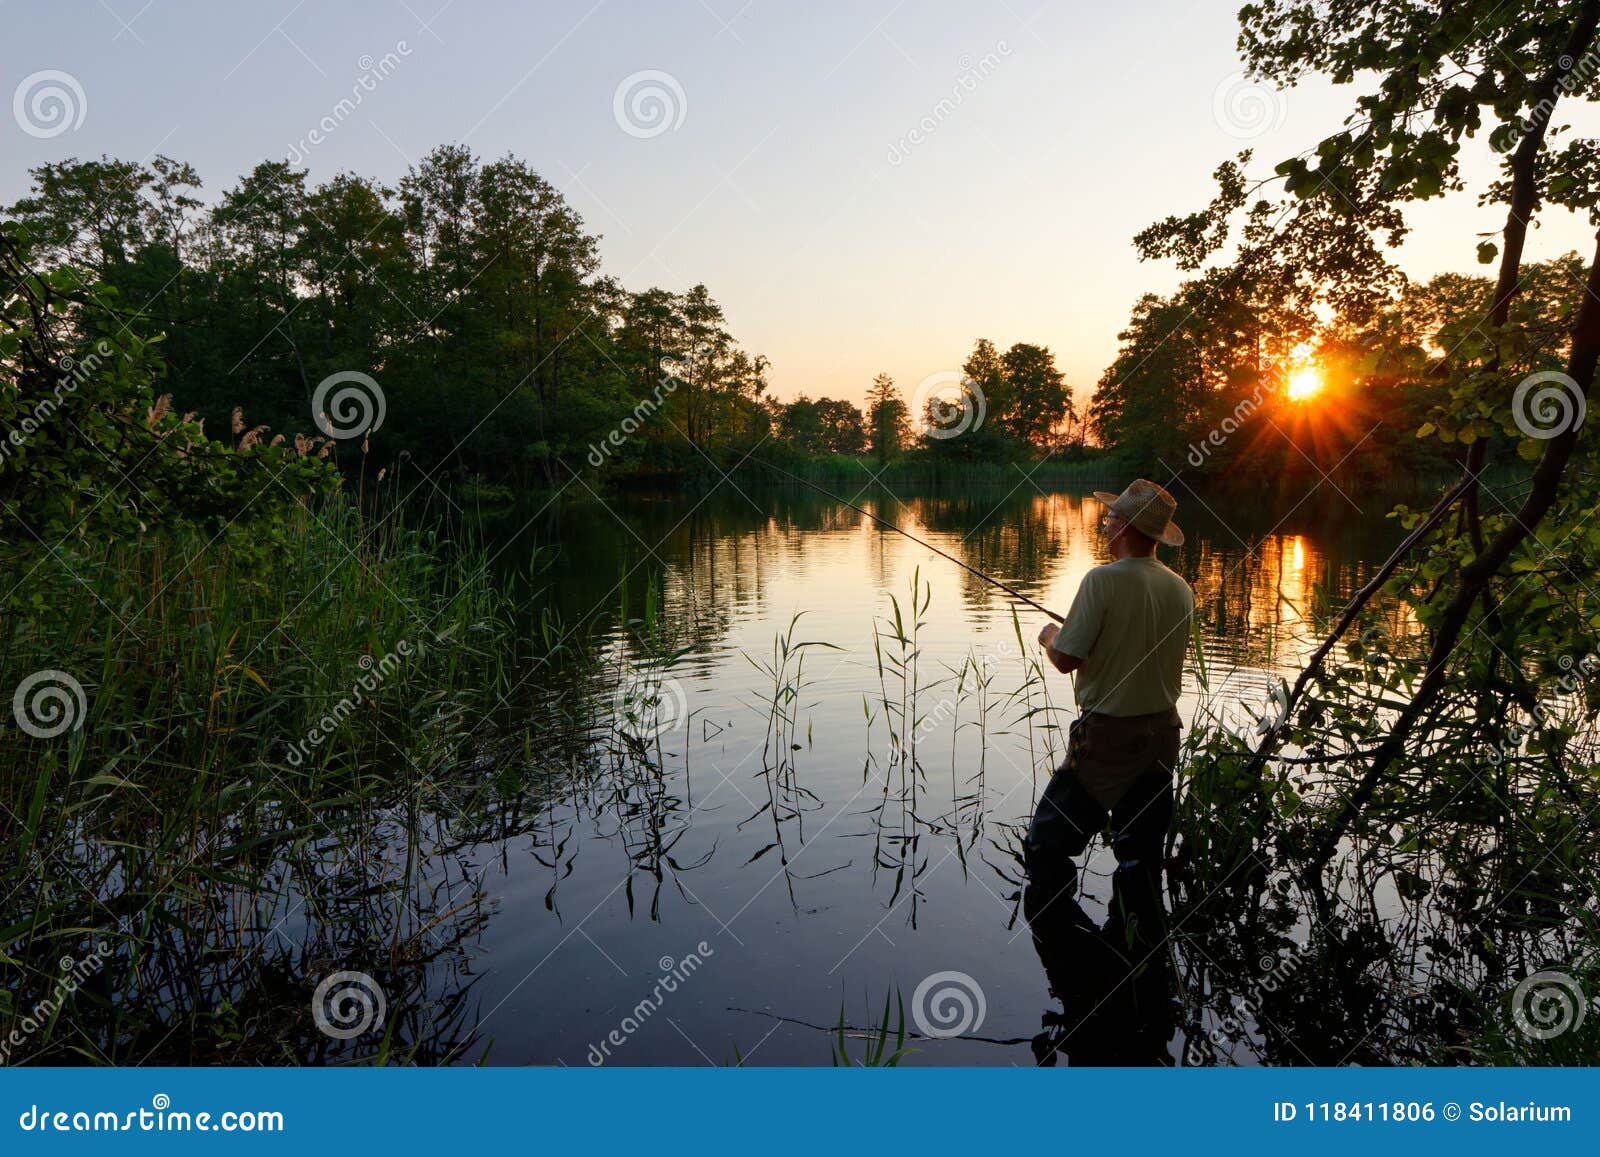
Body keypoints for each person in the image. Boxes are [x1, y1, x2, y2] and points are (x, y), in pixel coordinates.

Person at [1024, 479, 1194, 975]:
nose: (1106, 523)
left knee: (1047, 848)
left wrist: (1051, 635)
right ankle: (1140, 967)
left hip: (1106, 743)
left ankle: (1073, 962)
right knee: (1140, 860)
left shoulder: (1101, 581)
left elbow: (1066, 659)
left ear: (1125, 528)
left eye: (1110, 518)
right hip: (1162, 738)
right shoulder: (1179, 589)